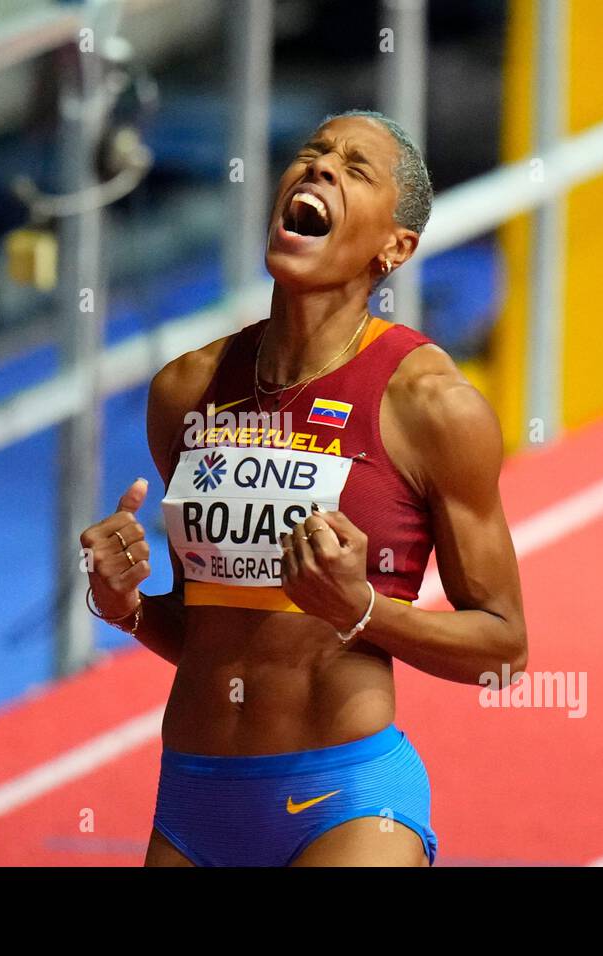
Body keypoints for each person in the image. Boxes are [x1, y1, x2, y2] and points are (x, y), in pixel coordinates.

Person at [80, 110, 527, 866]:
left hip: (348, 800)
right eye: (313, 153)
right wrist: (126, 606)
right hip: (195, 799)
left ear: (396, 246)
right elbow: (210, 633)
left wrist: (361, 609)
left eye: (356, 168)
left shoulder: (431, 406)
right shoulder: (187, 391)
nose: (320, 167)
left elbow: (503, 648)